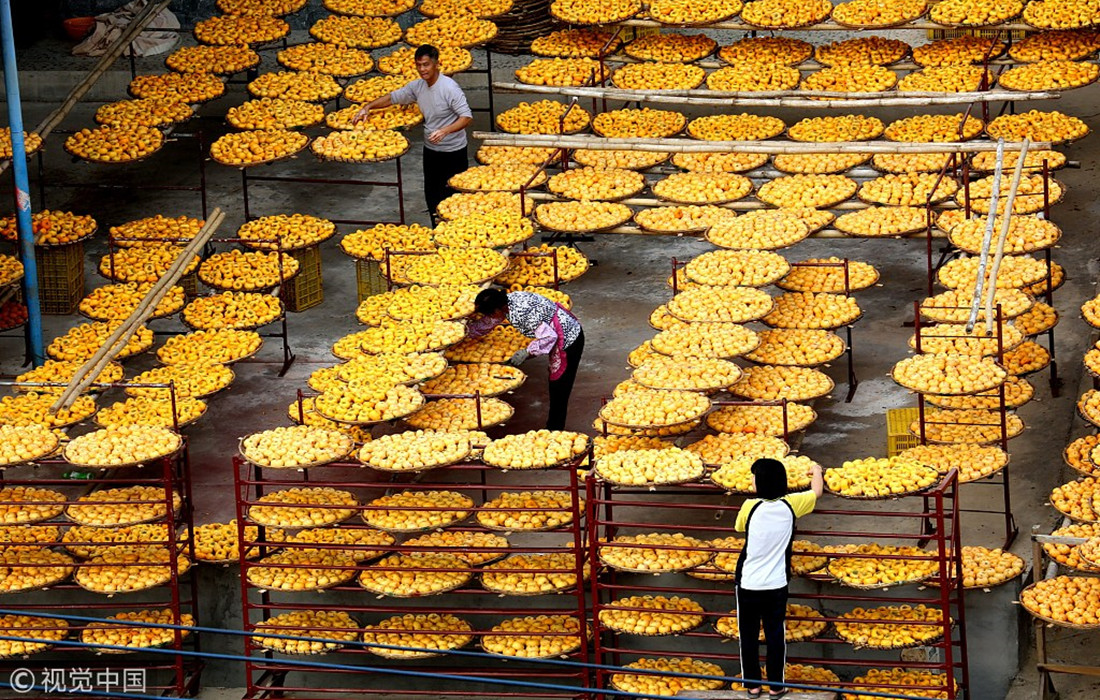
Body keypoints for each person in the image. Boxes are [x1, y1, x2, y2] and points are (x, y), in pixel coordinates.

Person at [733, 457, 824, 698]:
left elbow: (739, 528)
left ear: (759, 483)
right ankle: (776, 685)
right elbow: (817, 491)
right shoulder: (792, 504)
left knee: (748, 636)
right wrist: (816, 470)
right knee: (775, 636)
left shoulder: (748, 507)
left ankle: (752, 685)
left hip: (748, 582)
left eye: (754, 477)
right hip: (776, 584)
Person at [353, 44, 472, 225]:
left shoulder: (449, 88)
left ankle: (456, 239)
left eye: (426, 65)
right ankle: (437, 235)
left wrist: (444, 131)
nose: (422, 69)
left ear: (436, 64)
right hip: (431, 151)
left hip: (453, 152)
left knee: (454, 198)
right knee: (432, 196)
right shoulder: (418, 86)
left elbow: (466, 117)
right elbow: (393, 97)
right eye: (418, 65)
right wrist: (367, 107)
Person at [466, 288, 584, 430]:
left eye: (491, 312)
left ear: (501, 308)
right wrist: (466, 331)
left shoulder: (521, 312)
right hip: (557, 330)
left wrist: (527, 352)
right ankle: (554, 425)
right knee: (556, 382)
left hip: (569, 338)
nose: (490, 316)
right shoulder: (506, 301)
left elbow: (549, 337)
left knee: (559, 386)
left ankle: (555, 429)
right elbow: (490, 321)